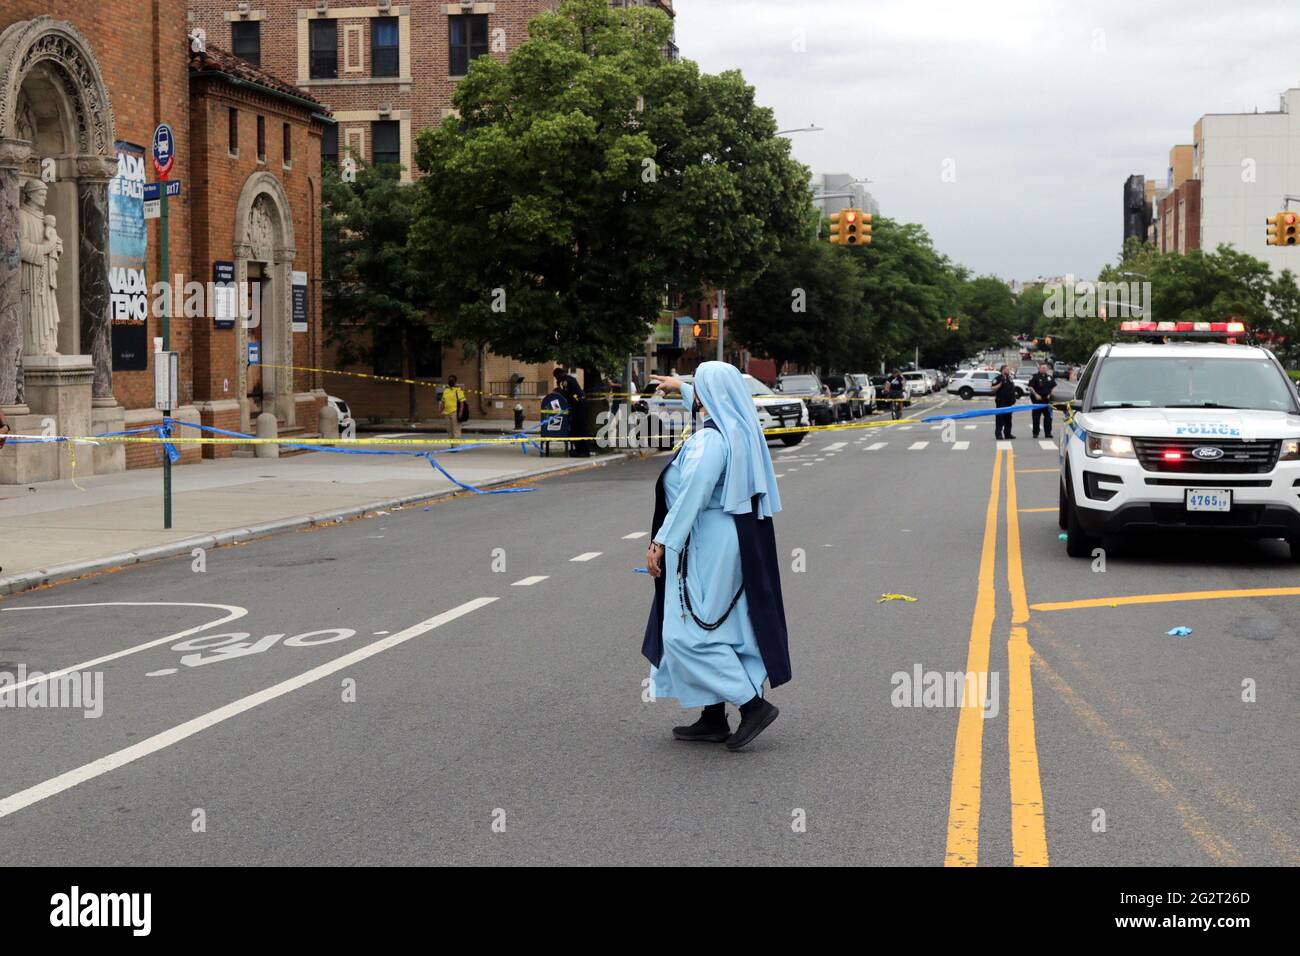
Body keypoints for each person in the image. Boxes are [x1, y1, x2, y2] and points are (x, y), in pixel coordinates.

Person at [642, 361, 791, 752]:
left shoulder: (711, 441)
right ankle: (712, 716)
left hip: (705, 540)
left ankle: (752, 705)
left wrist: (662, 542)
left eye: (698, 385)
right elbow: (714, 400)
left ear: (709, 396)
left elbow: (693, 494)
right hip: (728, 536)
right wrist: (681, 386)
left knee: (686, 632)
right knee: (721, 626)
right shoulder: (737, 427)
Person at [554, 366, 585, 456]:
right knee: (575, 429)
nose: (556, 379)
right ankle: (578, 450)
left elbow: (568, 395)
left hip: (579, 405)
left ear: (560, 374)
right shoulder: (566, 380)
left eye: (556, 377)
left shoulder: (567, 381)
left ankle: (582, 451)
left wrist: (559, 389)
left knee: (579, 429)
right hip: (576, 405)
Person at [1028, 362, 1057, 439]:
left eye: (1045, 368)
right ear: (1039, 368)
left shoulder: (1050, 377)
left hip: (1047, 402)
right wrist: (1036, 395)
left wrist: (1050, 393)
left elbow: (1054, 386)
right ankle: (1035, 433)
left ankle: (1048, 433)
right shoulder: (1034, 377)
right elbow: (1031, 387)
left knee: (1048, 418)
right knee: (1036, 418)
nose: (1044, 369)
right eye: (1042, 368)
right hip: (1037, 401)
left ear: (1047, 369)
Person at [992, 364, 1017, 440]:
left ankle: (1008, 434)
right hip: (1001, 402)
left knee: (1008, 419)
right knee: (1000, 419)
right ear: (1003, 370)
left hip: (1009, 402)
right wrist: (1000, 384)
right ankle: (999, 434)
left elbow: (1012, 389)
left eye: (1008, 370)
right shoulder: (998, 378)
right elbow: (993, 388)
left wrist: (1014, 397)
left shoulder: (1010, 378)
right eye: (1007, 369)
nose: (1008, 371)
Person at [441, 374, 466, 441]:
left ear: (455, 381)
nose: (450, 381)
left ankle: (456, 447)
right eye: (449, 379)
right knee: (449, 430)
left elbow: (462, 402)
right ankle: (452, 446)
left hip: (455, 412)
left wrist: (460, 412)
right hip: (446, 413)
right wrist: (441, 410)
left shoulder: (458, 390)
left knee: (456, 430)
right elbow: (443, 401)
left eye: (452, 380)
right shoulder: (446, 391)